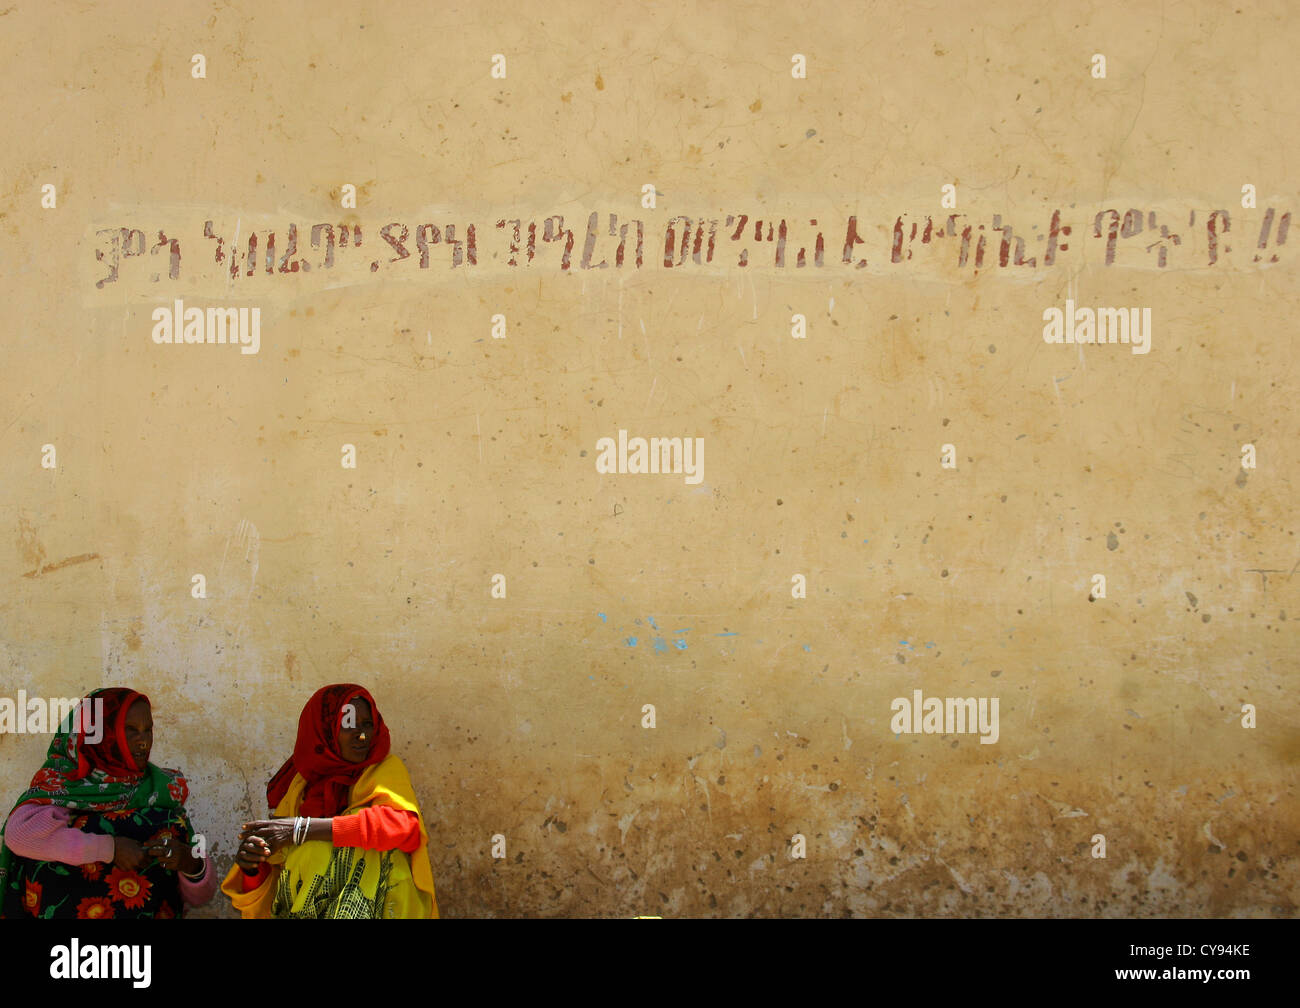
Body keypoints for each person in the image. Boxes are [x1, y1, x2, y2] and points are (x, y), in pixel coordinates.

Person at [221, 683, 438, 918]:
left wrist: (302, 829)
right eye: (348, 725)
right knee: (310, 853)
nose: (362, 735)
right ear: (323, 729)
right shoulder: (300, 786)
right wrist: (252, 867)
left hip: (386, 908)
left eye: (368, 725)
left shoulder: (384, 769)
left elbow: (403, 828)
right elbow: (278, 870)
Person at [0, 687, 216, 918]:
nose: (143, 741)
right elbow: (20, 836)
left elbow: (202, 895)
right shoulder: (61, 787)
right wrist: (109, 848)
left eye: (148, 730)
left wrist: (191, 864)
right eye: (131, 730)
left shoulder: (162, 791)